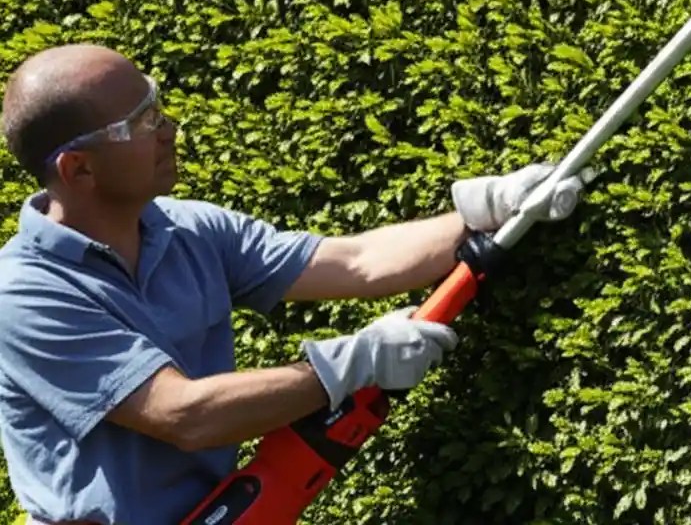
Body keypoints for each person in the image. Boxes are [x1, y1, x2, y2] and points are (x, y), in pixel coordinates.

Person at [0, 43, 592, 525]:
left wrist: (488, 208)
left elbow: (356, 261)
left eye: (158, 104)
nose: (168, 128)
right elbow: (181, 413)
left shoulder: (188, 229)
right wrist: (346, 366)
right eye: (143, 121)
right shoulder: (24, 294)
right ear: (78, 168)